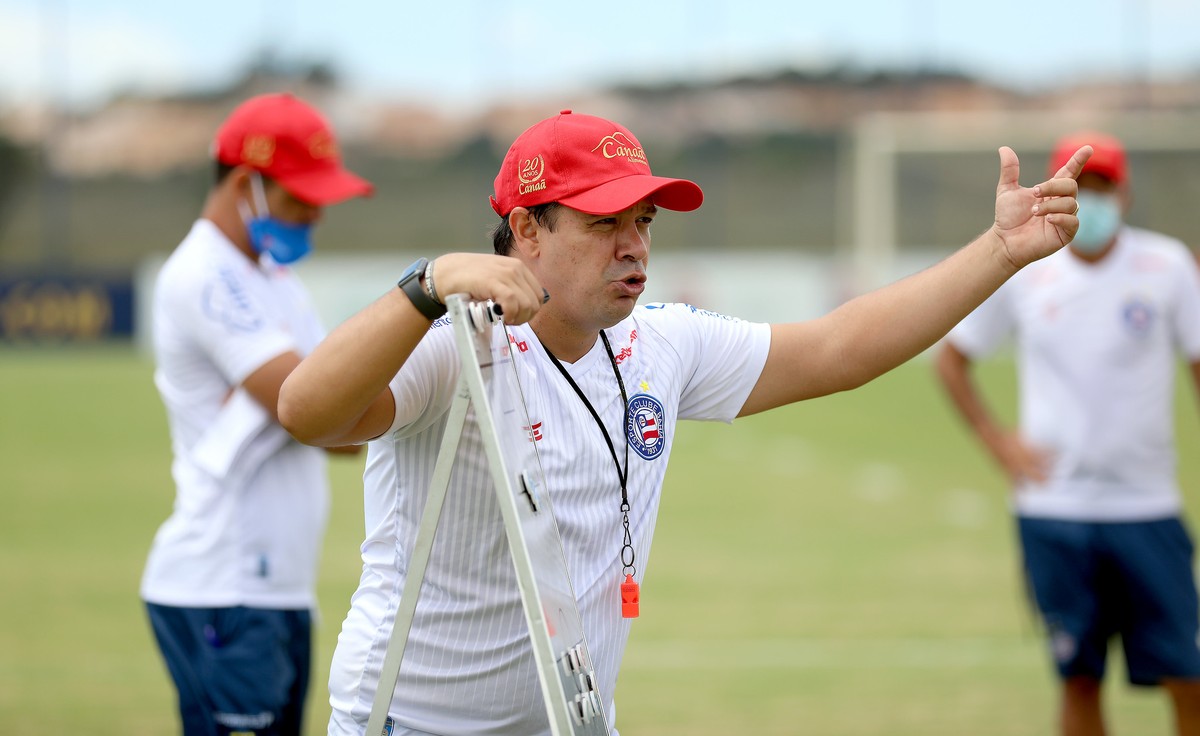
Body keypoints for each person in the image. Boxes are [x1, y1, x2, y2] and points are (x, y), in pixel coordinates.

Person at [276, 109, 1090, 736]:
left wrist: (1000, 251)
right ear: (526, 227)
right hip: (412, 722)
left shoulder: (662, 341)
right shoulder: (454, 338)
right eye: (604, 223)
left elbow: (841, 348)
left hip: (572, 720)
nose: (634, 246)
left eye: (645, 222)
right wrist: (426, 286)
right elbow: (307, 411)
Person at [934, 131, 1200, 736]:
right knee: (1078, 677)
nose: (1095, 200)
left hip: (1147, 505)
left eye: (1105, 187)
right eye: (1083, 188)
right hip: (1054, 508)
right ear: (1057, 192)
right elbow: (953, 359)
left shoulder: (1168, 266)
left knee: (1188, 673)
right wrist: (997, 442)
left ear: (1124, 193)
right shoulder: (1025, 271)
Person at [141, 92, 374, 736]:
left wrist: (313, 405)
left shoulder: (275, 280)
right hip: (226, 581)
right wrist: (311, 404)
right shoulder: (203, 277)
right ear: (248, 183)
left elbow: (340, 427)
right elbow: (312, 405)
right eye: (302, 198)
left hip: (274, 589)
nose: (315, 216)